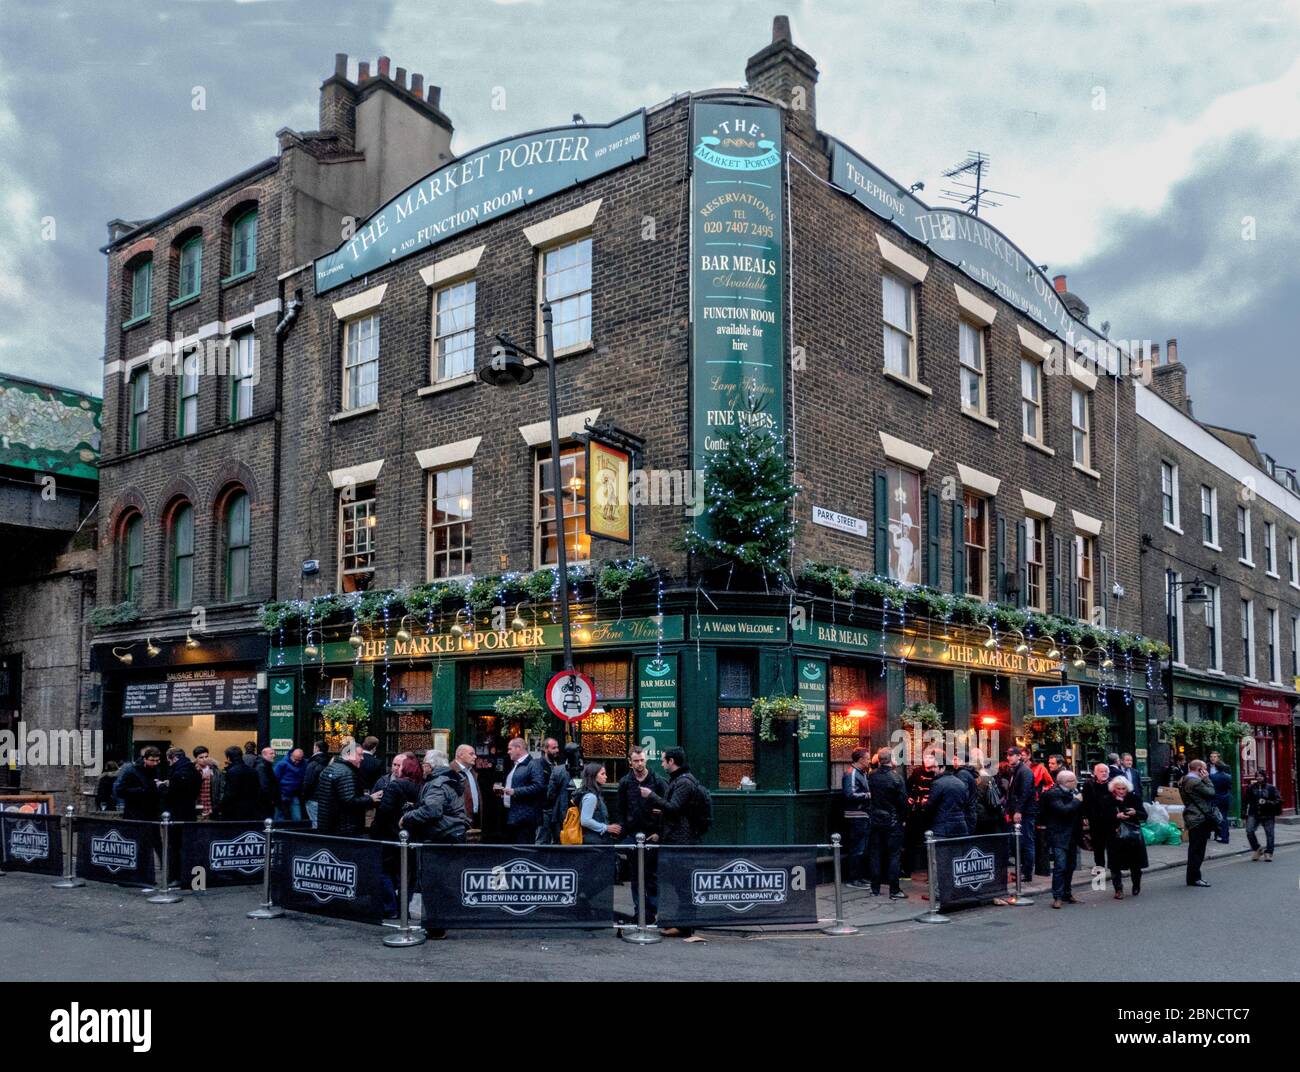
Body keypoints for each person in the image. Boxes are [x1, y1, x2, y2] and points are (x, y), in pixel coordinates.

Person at [640, 746, 706, 937]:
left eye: (663, 760)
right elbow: (675, 809)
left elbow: (675, 807)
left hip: (681, 841)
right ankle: (680, 923)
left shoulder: (684, 783)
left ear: (671, 761)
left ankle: (685, 926)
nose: (661, 763)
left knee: (683, 885)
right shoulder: (679, 780)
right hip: (676, 838)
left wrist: (651, 796)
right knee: (679, 884)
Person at [370, 754, 424, 917]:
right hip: (411, 836)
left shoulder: (395, 786)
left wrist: (375, 831)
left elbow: (384, 812)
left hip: (390, 835)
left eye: (400, 766)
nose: (397, 768)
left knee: (385, 870)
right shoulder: (422, 787)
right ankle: (403, 909)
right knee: (407, 875)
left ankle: (392, 907)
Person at [617, 745, 667, 921]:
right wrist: (623, 833)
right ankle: (639, 912)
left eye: (642, 760)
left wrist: (659, 833)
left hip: (652, 833)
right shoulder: (625, 782)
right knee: (635, 876)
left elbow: (667, 808)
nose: (639, 764)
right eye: (636, 761)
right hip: (632, 833)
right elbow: (621, 810)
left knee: (651, 875)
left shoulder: (658, 781)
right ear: (630, 762)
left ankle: (652, 912)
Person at [401, 750, 468, 844]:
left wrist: (406, 817)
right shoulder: (449, 778)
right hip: (453, 832)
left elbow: (432, 810)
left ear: (429, 766)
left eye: (423, 764)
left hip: (445, 836)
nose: (422, 767)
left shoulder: (437, 783)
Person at [866, 747, 908, 899]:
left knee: (875, 854)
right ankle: (894, 890)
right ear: (891, 759)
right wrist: (902, 820)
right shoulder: (897, 778)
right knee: (894, 855)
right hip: (893, 821)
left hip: (875, 820)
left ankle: (875, 888)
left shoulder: (872, 776)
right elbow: (902, 802)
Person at [1041, 769, 1083, 908]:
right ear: (1064, 783)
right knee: (1060, 865)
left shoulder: (1074, 792)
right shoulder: (1053, 794)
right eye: (1073, 780)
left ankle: (1067, 893)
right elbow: (1063, 810)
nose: (1076, 782)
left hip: (1072, 834)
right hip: (1058, 834)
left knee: (1071, 865)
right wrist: (1076, 801)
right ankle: (1057, 896)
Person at [313, 741, 375, 836]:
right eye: (360, 755)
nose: (362, 758)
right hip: (343, 828)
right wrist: (370, 798)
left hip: (327, 824)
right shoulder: (346, 772)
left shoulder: (330, 768)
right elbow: (349, 801)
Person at [1104, 775, 1147, 898]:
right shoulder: (1107, 799)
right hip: (1114, 835)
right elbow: (1101, 816)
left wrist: (1135, 813)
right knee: (1115, 865)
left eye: (1124, 788)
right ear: (1113, 789)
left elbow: (1144, 815)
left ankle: (1136, 885)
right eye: (1118, 789)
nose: (1121, 791)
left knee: (1135, 864)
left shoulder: (1134, 798)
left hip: (1132, 835)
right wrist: (1116, 816)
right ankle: (1118, 889)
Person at [498, 737, 545, 844]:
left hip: (524, 818)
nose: (508, 752)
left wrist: (515, 791)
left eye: (510, 749)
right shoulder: (516, 765)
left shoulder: (533, 765)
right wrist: (503, 793)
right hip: (512, 816)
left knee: (523, 849)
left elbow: (538, 786)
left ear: (518, 748)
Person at [1180, 759, 1217, 887]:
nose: (1206, 771)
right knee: (1198, 850)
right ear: (1200, 769)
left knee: (1195, 849)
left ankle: (1193, 877)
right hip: (1198, 818)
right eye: (1204, 768)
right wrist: (1207, 779)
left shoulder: (1185, 779)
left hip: (1192, 816)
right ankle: (1194, 878)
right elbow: (1211, 793)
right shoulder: (1194, 781)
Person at [841, 748, 872, 887]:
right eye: (867, 758)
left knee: (862, 847)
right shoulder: (852, 773)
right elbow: (850, 794)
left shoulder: (862, 773)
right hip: (856, 815)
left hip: (863, 814)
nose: (869, 760)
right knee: (857, 847)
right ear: (860, 759)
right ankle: (853, 879)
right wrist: (869, 795)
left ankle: (859, 876)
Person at [1006, 747, 1037, 884]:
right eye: (1008, 755)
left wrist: (1018, 811)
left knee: (1027, 842)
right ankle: (1022, 871)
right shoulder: (1016, 770)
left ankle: (1027, 873)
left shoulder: (1025, 771)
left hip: (1025, 812)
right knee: (1020, 841)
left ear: (1019, 756)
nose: (1009, 757)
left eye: (1011, 755)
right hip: (1019, 811)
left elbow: (1025, 793)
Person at [903, 751, 938, 873]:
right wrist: (909, 797)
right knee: (910, 840)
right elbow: (907, 786)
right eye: (925, 757)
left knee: (931, 841)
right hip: (916, 812)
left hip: (931, 813)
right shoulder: (917, 772)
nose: (927, 760)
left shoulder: (936, 774)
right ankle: (907, 870)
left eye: (930, 757)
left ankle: (932, 871)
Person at [543, 742, 583, 843]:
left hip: (562, 812)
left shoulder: (557, 770)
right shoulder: (585, 770)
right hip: (579, 811)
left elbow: (550, 794)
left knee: (561, 840)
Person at [576, 762, 622, 844]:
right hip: (593, 842)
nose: (606, 776)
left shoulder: (593, 795)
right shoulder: (591, 797)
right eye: (602, 774)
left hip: (595, 840)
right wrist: (605, 827)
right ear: (593, 776)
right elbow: (585, 820)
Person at [924, 761, 971, 839]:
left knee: (941, 850)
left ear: (943, 768)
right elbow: (966, 802)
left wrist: (924, 804)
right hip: (961, 827)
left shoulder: (938, 783)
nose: (933, 769)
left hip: (942, 828)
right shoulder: (960, 783)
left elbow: (930, 806)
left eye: (935, 767)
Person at [1081, 762, 1113, 873]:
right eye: (1101, 771)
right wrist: (1085, 816)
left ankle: (1114, 867)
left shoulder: (1113, 783)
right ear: (1095, 773)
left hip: (1111, 819)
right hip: (1095, 819)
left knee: (1112, 845)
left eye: (1106, 771)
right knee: (1098, 845)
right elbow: (1085, 801)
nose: (1104, 773)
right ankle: (1099, 866)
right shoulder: (1088, 784)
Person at [1244, 771, 1282, 861]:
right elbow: (1245, 801)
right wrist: (1243, 812)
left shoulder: (1271, 788)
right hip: (1254, 813)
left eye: (1261, 776)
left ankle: (1268, 853)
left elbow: (1278, 800)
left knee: (1269, 834)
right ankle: (1257, 849)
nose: (1259, 778)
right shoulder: (1251, 788)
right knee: (1249, 831)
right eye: (1257, 776)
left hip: (1268, 814)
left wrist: (1267, 802)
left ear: (1265, 777)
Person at [118, 747, 163, 821]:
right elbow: (121, 791)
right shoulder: (132, 771)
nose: (155, 763)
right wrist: (143, 790)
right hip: (135, 813)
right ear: (145, 759)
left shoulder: (157, 771)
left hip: (152, 813)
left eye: (157, 760)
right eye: (152, 760)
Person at [218, 744, 261, 821]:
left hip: (234, 812)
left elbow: (229, 794)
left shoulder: (231, 772)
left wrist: (218, 808)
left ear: (228, 758)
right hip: (251, 811)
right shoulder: (253, 771)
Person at [163, 746, 200, 821]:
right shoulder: (194, 770)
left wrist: (161, 786)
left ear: (174, 758)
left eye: (169, 761)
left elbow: (171, 794)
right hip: (191, 810)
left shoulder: (178, 773)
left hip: (178, 813)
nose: (170, 764)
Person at [450, 744, 481, 829]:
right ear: (460, 755)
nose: (475, 756)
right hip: (459, 820)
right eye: (471, 754)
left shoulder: (471, 770)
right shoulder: (451, 772)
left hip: (475, 816)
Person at [273, 747, 307, 822]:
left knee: (297, 818)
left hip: (294, 794)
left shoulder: (304, 763)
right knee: (279, 816)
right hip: (282, 793)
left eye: (299, 760)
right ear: (291, 755)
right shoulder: (282, 764)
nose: (297, 762)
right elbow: (275, 779)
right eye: (295, 759)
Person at [301, 741, 329, 828]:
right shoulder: (329, 762)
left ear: (317, 748)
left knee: (315, 822)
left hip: (313, 797)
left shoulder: (313, 763)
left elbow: (308, 782)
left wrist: (304, 795)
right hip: (325, 797)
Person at [1207, 751, 1232, 843]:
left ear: (1218, 758)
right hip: (1224, 797)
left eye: (1214, 756)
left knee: (1218, 816)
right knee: (1220, 817)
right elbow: (1230, 785)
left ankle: (1221, 835)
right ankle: (1219, 835)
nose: (1212, 758)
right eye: (1211, 756)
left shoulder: (1226, 768)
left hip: (1216, 797)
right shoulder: (1207, 767)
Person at [252, 746, 280, 820]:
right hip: (264, 803)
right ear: (264, 754)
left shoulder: (265, 766)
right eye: (271, 754)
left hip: (265, 802)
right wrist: (271, 799)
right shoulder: (262, 767)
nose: (274, 755)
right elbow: (264, 785)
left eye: (274, 753)